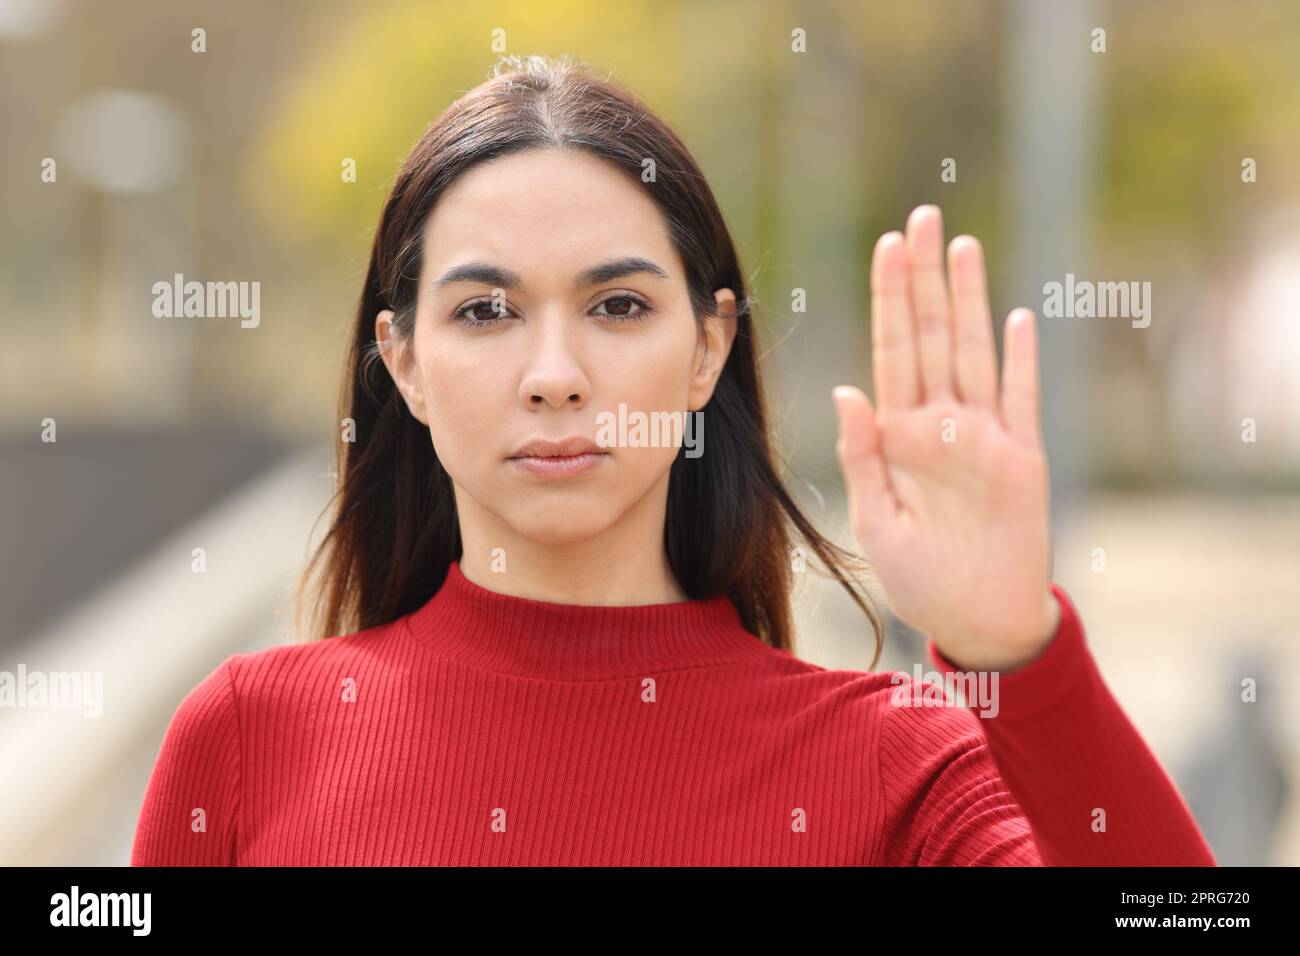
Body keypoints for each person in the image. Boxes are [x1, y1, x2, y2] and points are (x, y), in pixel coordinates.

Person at [131, 53, 1216, 867]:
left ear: (707, 350)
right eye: (485, 309)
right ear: (403, 363)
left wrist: (1011, 649)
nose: (554, 373)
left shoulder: (894, 765)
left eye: (616, 305)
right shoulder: (248, 740)